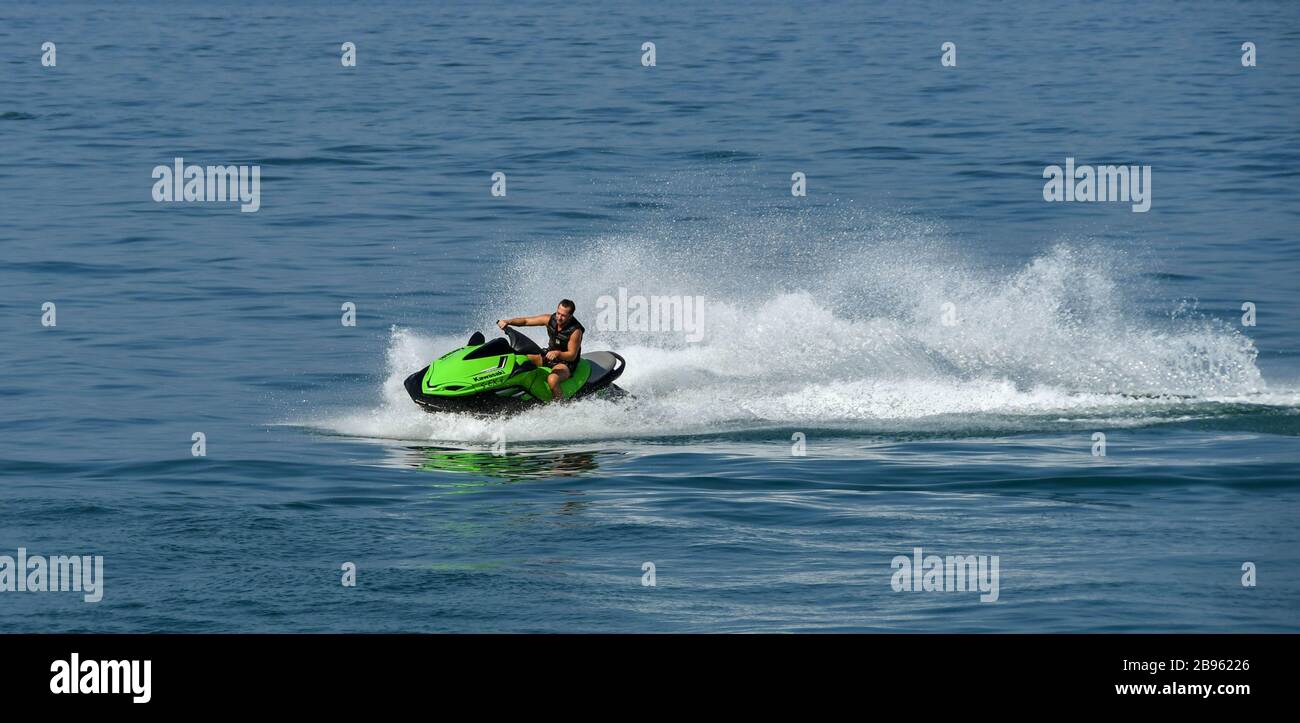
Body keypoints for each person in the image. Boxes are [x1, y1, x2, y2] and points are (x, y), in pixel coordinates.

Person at [497, 299, 584, 402]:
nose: (559, 318)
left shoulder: (575, 331)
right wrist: (508, 322)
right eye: (558, 313)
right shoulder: (549, 319)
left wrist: (557, 353)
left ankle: (560, 405)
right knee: (519, 360)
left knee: (552, 380)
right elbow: (526, 321)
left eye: (563, 315)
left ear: (570, 316)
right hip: (548, 355)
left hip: (565, 362)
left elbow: (572, 355)